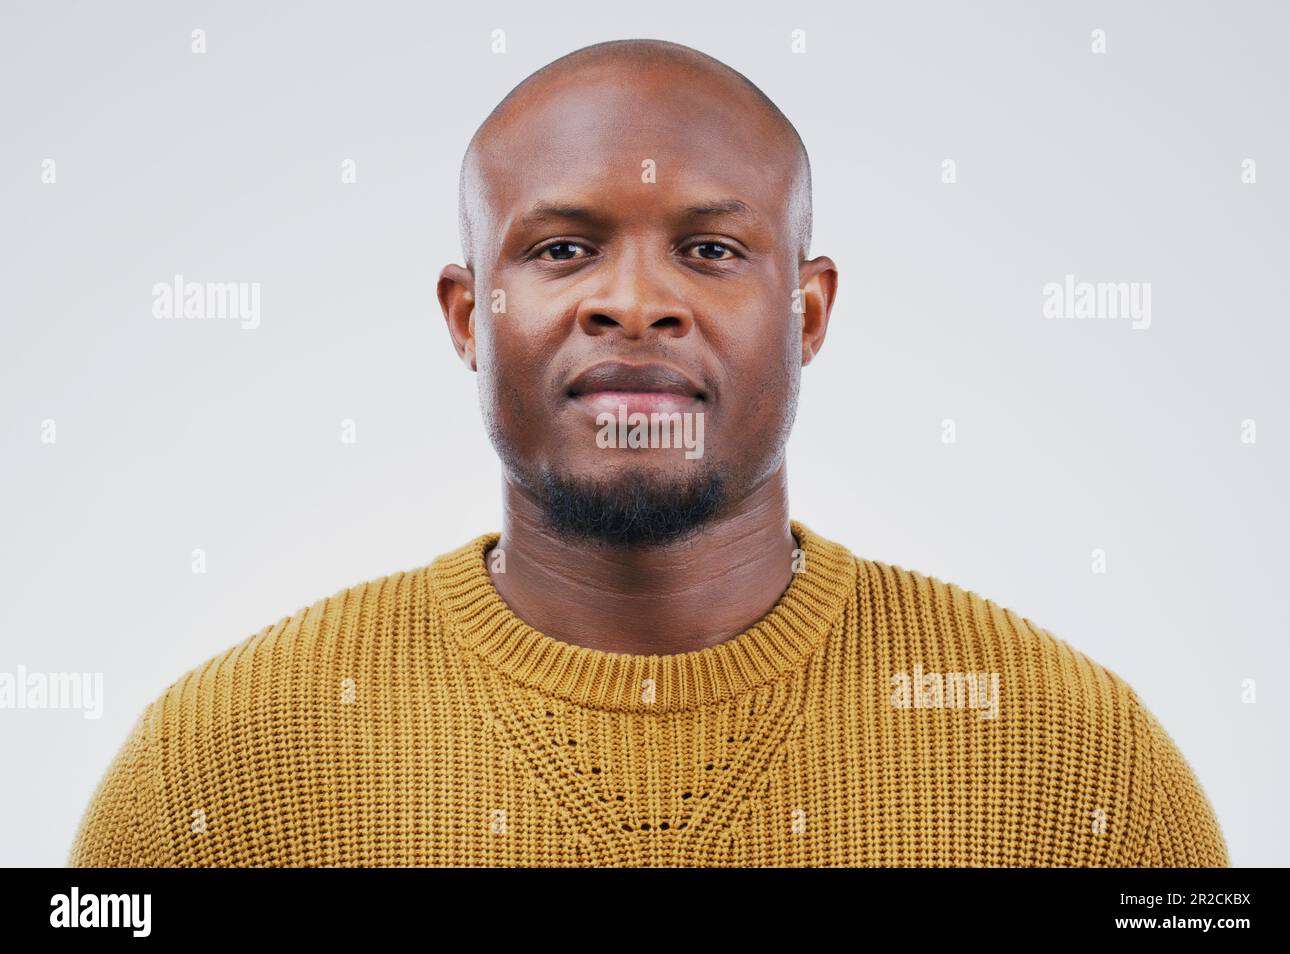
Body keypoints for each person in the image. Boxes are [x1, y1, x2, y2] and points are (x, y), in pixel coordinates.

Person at [68, 38, 1229, 867]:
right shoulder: (218, 769)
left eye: (712, 250)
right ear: (468, 317)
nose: (635, 304)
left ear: (809, 312)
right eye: (565, 248)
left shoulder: (1072, 761)